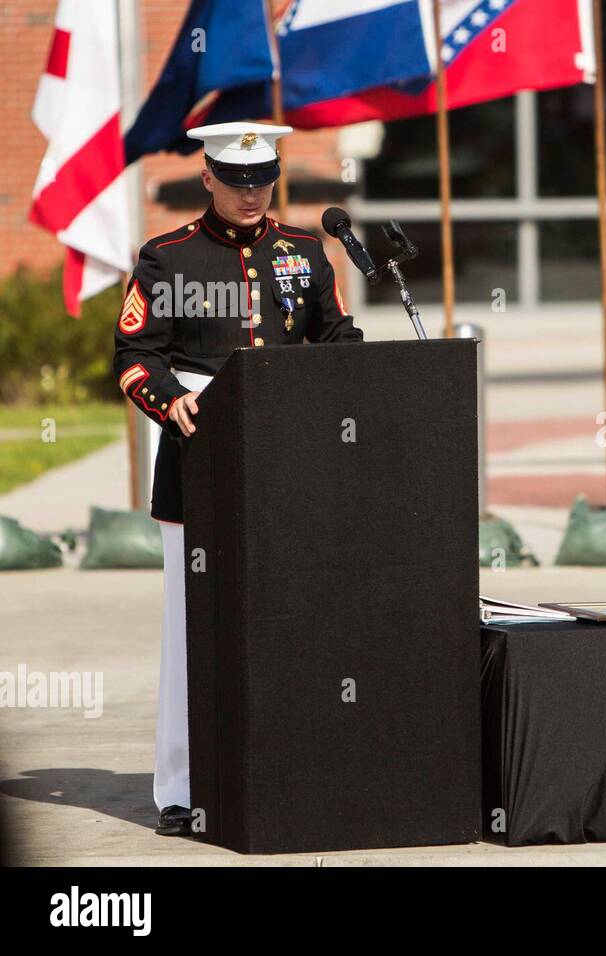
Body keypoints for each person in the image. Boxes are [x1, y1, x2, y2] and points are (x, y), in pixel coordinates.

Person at [112, 122, 364, 836]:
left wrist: (360, 368)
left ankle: (293, 768)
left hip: (288, 462)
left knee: (294, 620)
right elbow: (135, 354)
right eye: (237, 179)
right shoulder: (169, 258)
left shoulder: (307, 252)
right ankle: (182, 788)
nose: (252, 193)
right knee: (192, 628)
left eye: (263, 181)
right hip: (201, 455)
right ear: (209, 179)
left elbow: (334, 337)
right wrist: (172, 400)